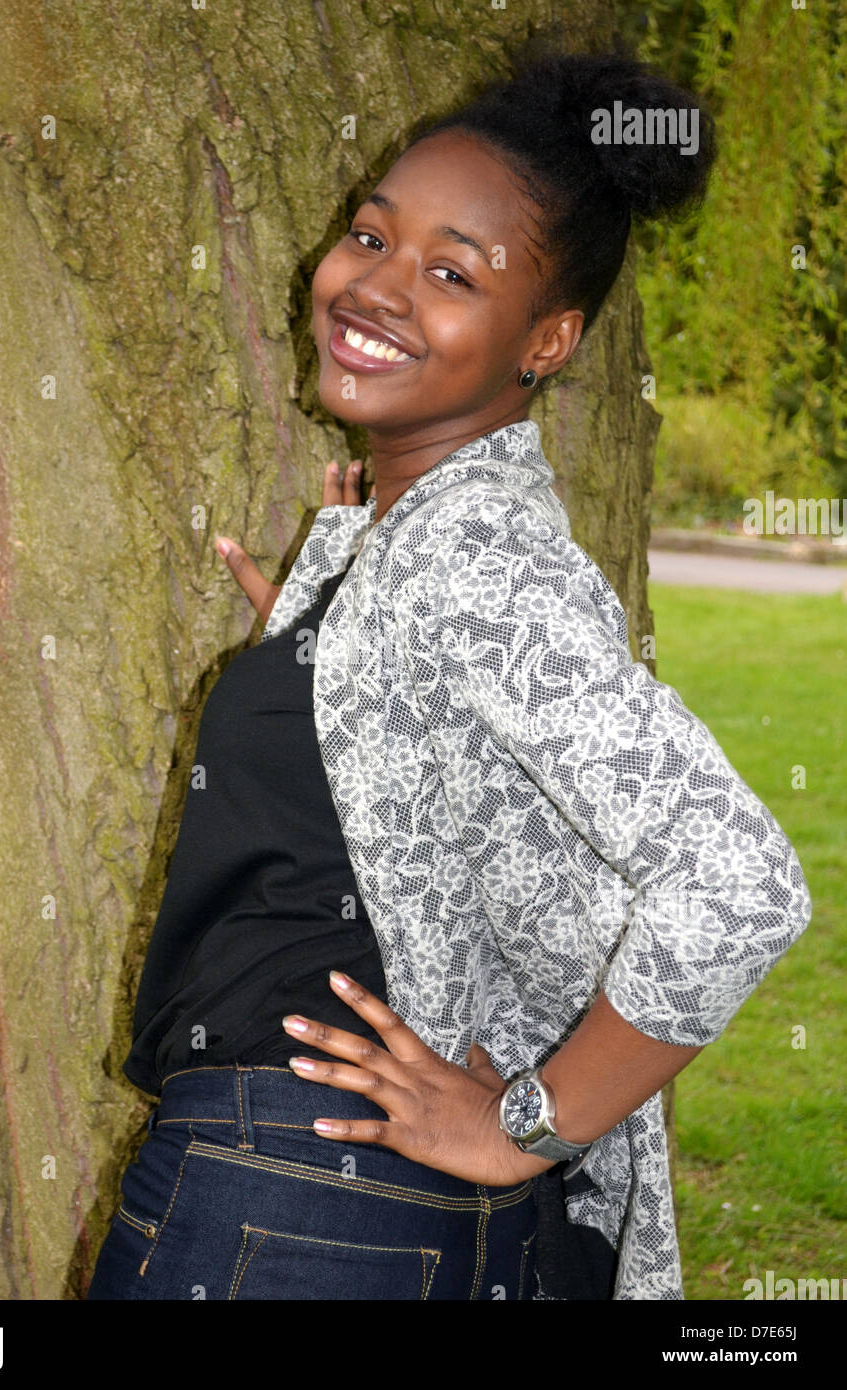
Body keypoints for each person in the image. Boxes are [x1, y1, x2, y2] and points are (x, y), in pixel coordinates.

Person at [86, 47, 811, 1301]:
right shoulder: (413, 547)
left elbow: (739, 883)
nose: (374, 285)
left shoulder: (472, 560)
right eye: (371, 234)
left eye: (449, 271)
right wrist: (315, 644)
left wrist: (522, 1123)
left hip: (292, 1195)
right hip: (331, 1204)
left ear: (547, 339)